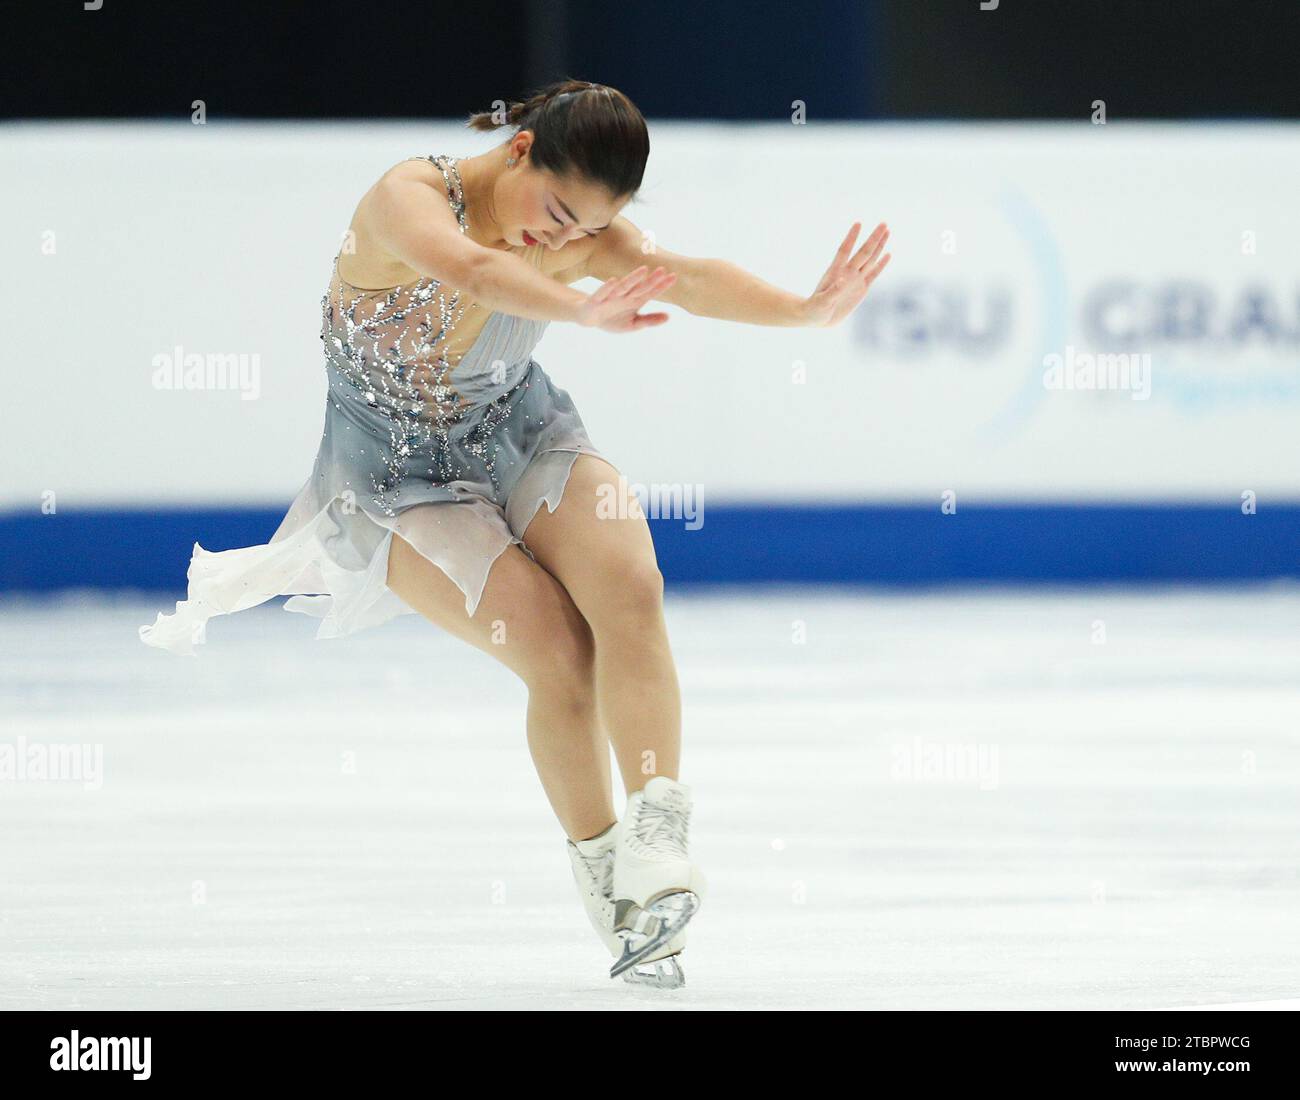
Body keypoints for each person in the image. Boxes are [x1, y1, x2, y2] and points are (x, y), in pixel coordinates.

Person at [140, 78, 891, 987]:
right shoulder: (405, 199)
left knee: (630, 584)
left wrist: (807, 312)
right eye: (560, 214)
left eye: (588, 230)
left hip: (520, 431)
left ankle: (660, 824)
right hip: (396, 479)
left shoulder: (579, 234)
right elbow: (475, 271)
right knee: (558, 653)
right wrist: (578, 305)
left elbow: (683, 278)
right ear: (524, 149)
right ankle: (607, 876)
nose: (567, 240)